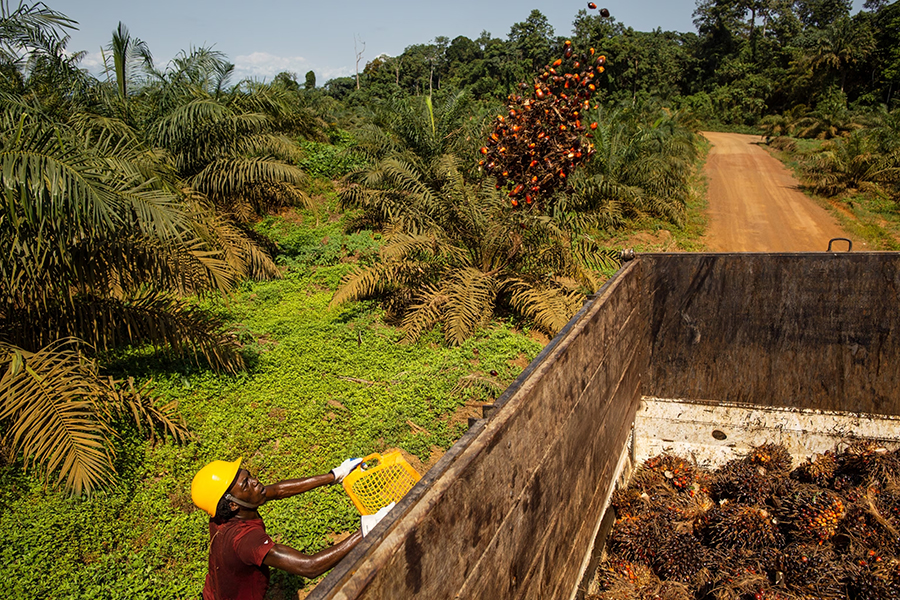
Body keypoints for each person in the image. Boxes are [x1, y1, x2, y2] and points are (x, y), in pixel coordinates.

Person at [190, 457, 393, 600]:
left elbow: (277, 490)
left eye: (249, 475)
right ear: (232, 504)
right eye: (246, 484)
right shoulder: (245, 540)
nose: (255, 481)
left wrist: (334, 475)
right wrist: (365, 531)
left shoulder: (225, 512)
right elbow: (309, 567)